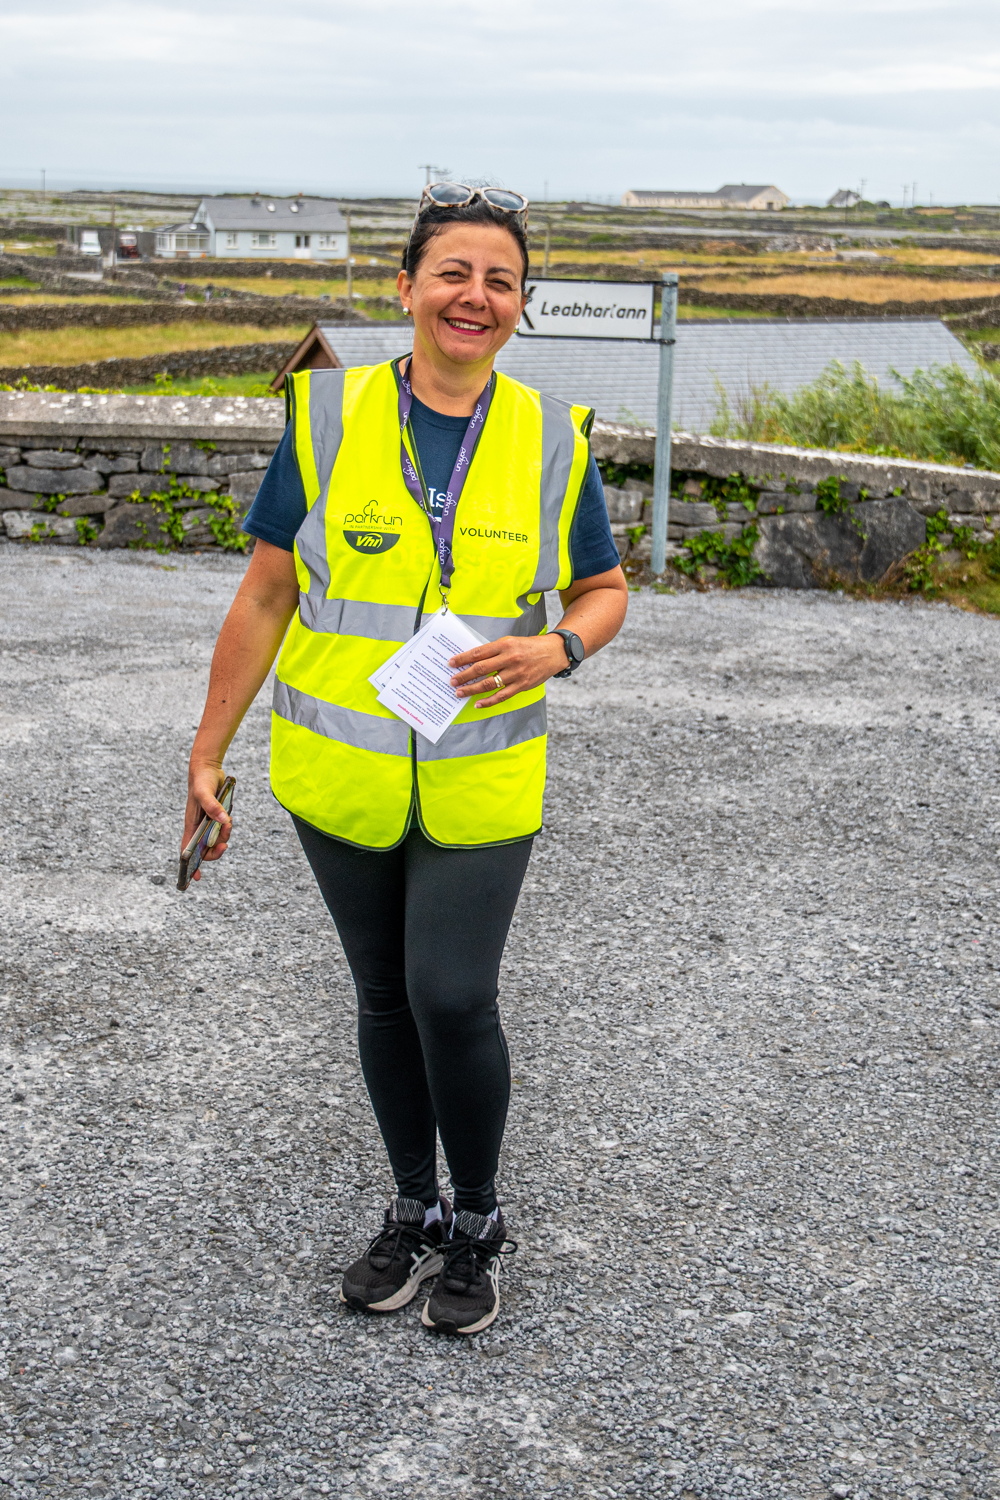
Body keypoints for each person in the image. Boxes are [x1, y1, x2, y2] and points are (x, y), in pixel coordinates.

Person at [182, 182, 628, 1336]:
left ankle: (476, 1222)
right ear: (407, 288)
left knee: (451, 993)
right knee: (383, 995)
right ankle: (410, 1207)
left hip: (481, 774)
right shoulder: (325, 419)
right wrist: (207, 754)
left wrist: (557, 648)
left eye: (499, 280)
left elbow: (605, 588)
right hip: (340, 775)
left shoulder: (548, 435)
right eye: (453, 274)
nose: (473, 297)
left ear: (520, 306)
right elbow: (267, 593)